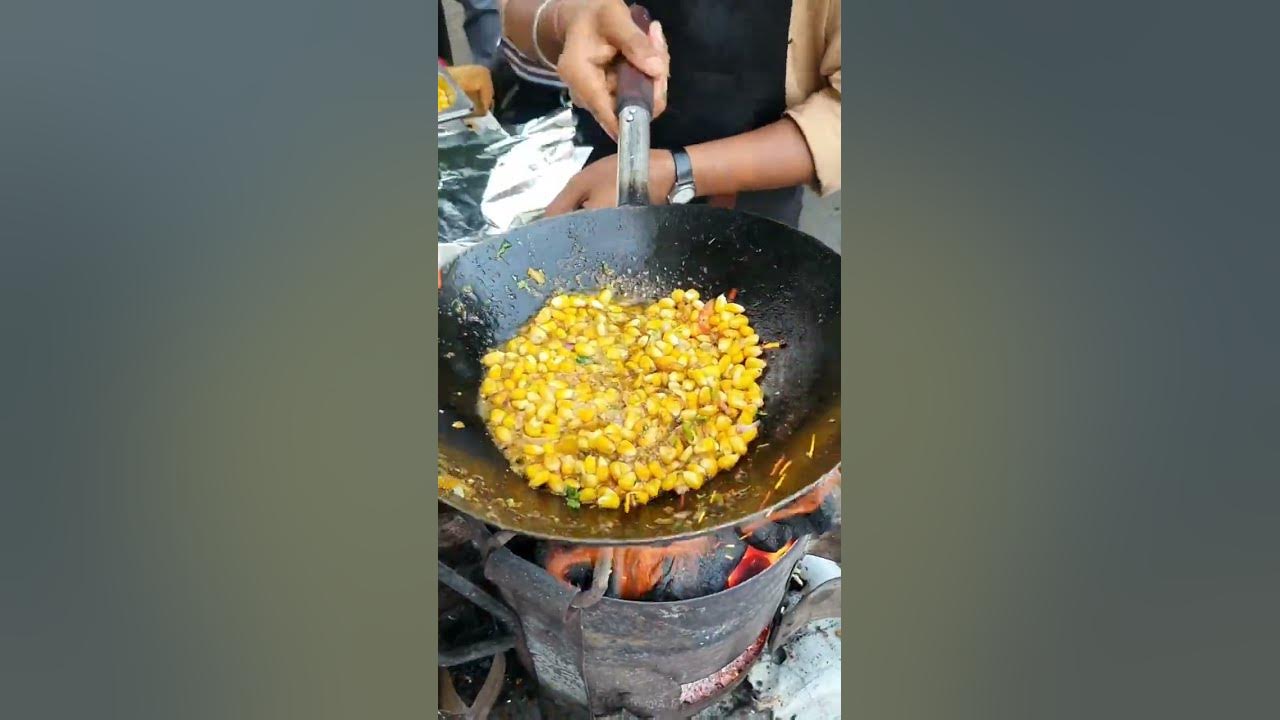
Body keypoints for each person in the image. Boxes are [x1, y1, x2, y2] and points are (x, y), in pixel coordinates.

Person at [501, 0, 841, 228]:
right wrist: (565, 18)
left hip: (760, 183)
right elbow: (517, 10)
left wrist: (675, 172)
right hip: (595, 163)